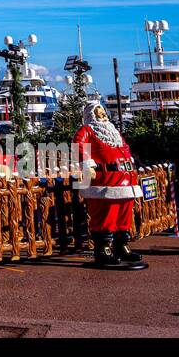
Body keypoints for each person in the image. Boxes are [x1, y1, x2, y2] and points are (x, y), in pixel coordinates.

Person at [72, 104, 147, 270]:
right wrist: (87, 164)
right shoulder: (87, 130)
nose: (103, 117)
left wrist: (133, 160)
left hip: (125, 180)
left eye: (103, 113)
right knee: (106, 215)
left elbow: (124, 147)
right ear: (92, 116)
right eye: (99, 114)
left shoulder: (113, 131)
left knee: (124, 214)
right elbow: (78, 144)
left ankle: (122, 246)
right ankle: (103, 249)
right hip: (105, 181)